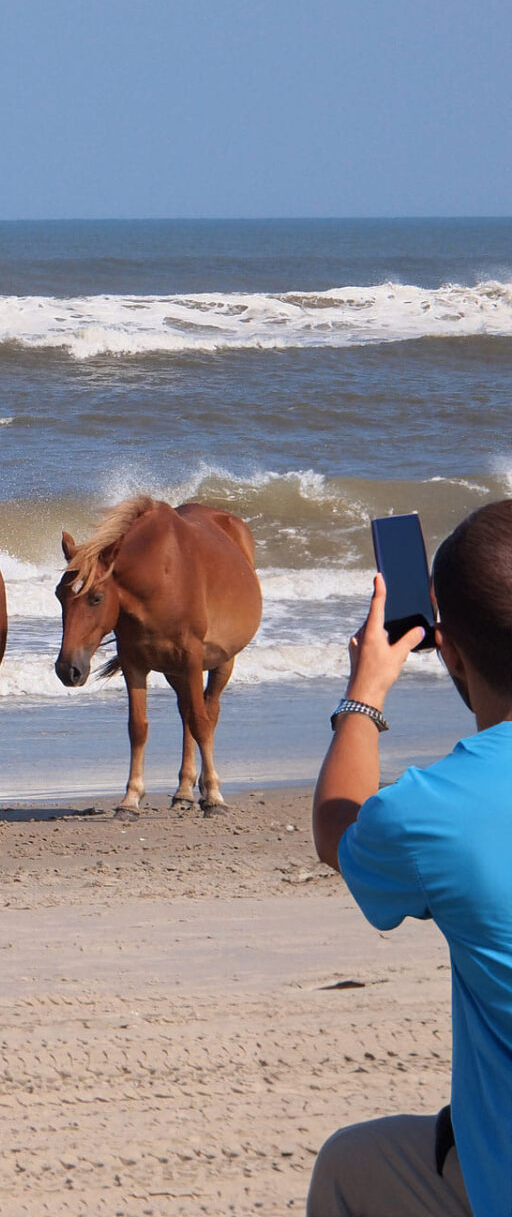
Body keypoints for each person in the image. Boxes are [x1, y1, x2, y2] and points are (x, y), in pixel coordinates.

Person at [308, 500, 512, 1216]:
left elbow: (339, 828)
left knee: (347, 1173)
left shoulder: (432, 812)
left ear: (449, 651)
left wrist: (364, 692)